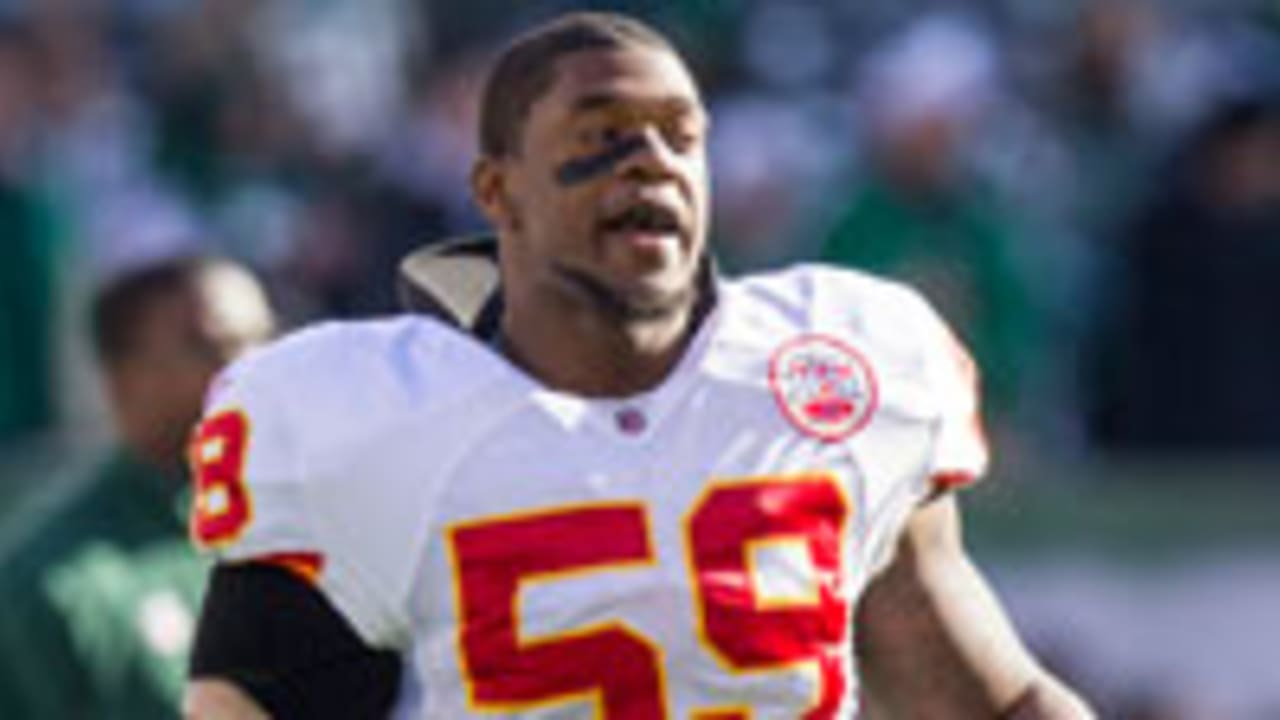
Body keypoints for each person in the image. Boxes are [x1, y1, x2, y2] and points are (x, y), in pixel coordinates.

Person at [184, 12, 1094, 719]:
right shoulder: (370, 417)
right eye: (602, 135)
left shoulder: (832, 368)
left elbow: (995, 697)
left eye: (679, 136)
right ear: (498, 190)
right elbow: (243, 701)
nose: (651, 163)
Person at [0, 256, 274, 718]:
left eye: (262, 338)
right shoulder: (53, 587)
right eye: (211, 345)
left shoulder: (313, 534)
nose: (251, 367)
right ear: (120, 377)